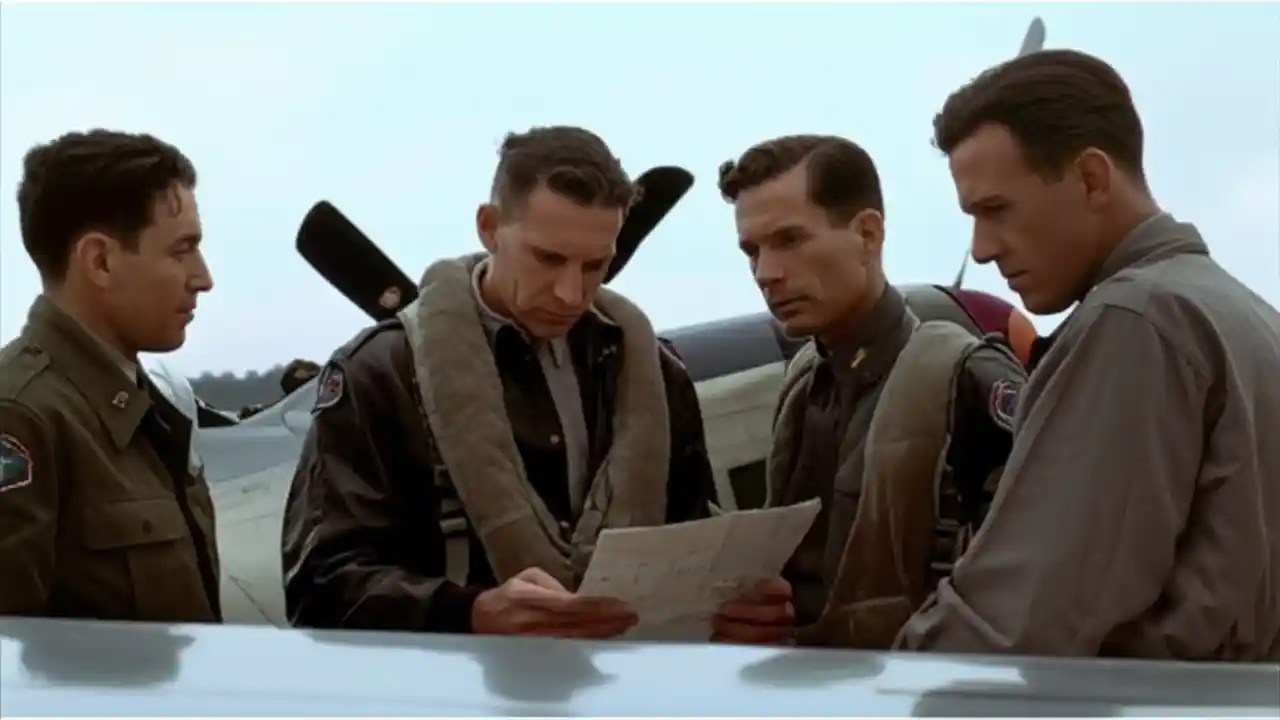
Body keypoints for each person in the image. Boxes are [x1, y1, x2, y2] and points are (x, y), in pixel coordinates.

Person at [895, 49, 1280, 660]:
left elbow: (1021, 622)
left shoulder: (1134, 323)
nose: (982, 248)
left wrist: (897, 685)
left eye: (995, 209)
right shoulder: (1246, 314)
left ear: (1092, 180)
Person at [281, 125, 718, 638]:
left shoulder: (656, 372)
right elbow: (320, 584)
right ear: (489, 228)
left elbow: (698, 540)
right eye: (548, 258)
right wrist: (469, 613)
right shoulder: (379, 373)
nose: (570, 292)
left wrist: (734, 605)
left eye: (596, 265)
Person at [709, 134, 1029, 648]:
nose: (766, 273)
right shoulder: (804, 385)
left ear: (867, 233)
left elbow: (1035, 583)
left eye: (789, 240)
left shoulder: (964, 379)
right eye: (753, 251)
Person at [0, 129, 220, 622]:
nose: (203, 278)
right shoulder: (20, 417)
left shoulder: (148, 406)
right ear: (100, 262)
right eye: (181, 250)